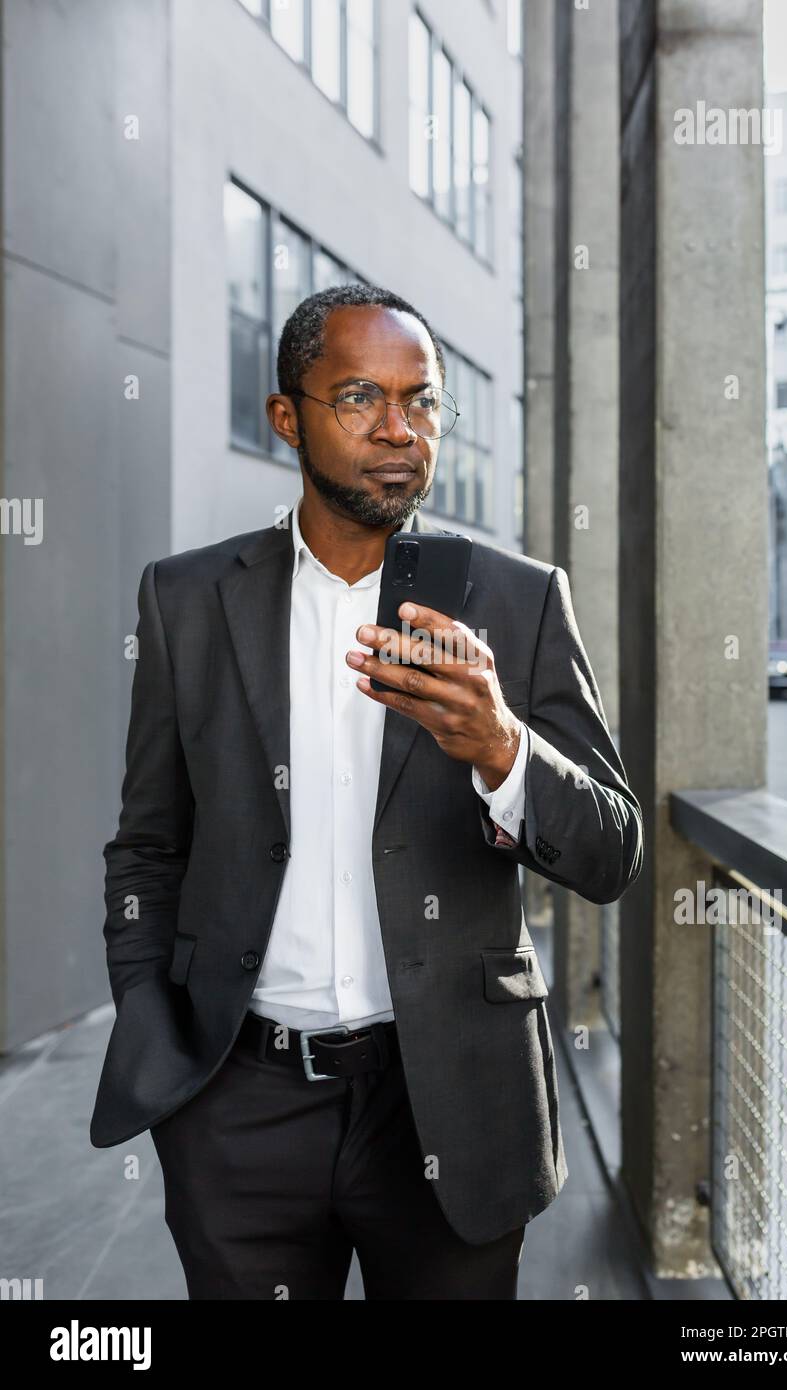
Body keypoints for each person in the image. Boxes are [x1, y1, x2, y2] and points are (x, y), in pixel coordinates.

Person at [90, 283, 643, 1300]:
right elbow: (148, 844)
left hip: (451, 1106)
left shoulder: (515, 599)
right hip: (239, 1107)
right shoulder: (187, 601)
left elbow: (611, 848)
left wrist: (500, 746)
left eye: (421, 400)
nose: (399, 429)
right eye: (358, 396)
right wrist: (151, 1023)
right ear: (286, 417)